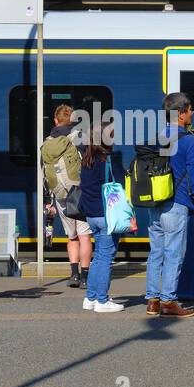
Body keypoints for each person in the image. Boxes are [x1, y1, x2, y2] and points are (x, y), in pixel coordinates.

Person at [145, 92, 194, 318]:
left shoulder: (158, 137)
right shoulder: (188, 140)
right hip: (177, 202)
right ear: (181, 114)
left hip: (155, 203)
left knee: (156, 252)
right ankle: (169, 301)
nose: (192, 114)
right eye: (189, 110)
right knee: (174, 253)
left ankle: (152, 300)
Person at [77, 124, 136, 312]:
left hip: (91, 215)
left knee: (99, 257)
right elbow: (121, 186)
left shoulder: (87, 160)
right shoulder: (108, 161)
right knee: (105, 258)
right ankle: (102, 300)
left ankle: (91, 297)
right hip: (107, 216)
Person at [41, 104, 92, 287]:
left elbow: (44, 173)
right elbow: (89, 164)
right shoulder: (80, 138)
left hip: (60, 194)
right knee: (84, 235)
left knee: (72, 237)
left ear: (55, 121)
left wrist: (49, 201)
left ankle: (74, 275)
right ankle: (85, 276)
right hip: (80, 192)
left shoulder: (47, 142)